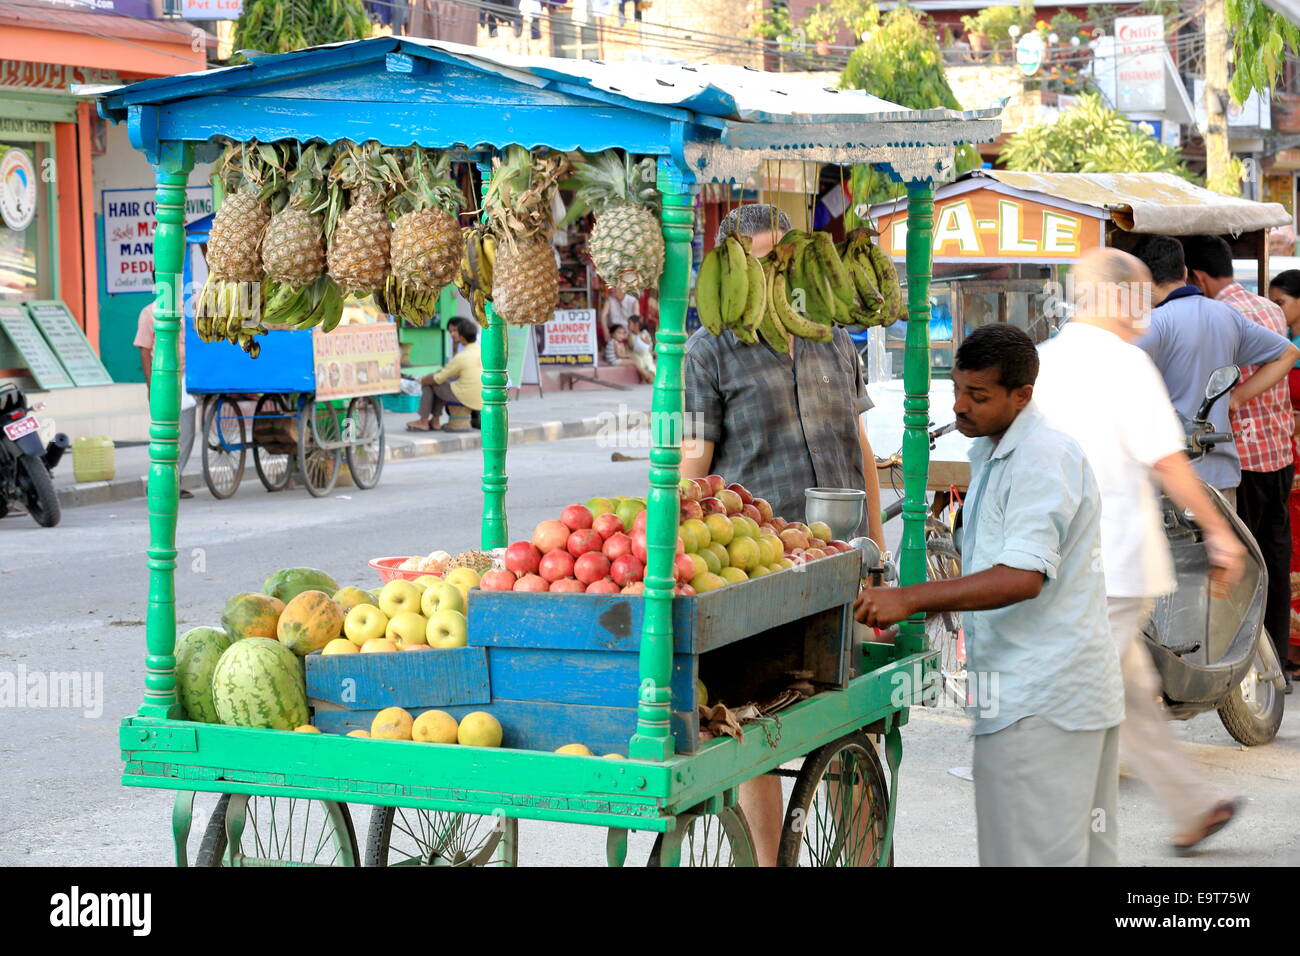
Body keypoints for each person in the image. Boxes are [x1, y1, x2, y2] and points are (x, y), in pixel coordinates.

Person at [855, 324, 1124, 867]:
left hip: (1045, 700)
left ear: (1021, 396)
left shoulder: (1042, 458)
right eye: (956, 390)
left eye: (978, 397)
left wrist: (912, 598)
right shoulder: (994, 451)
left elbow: (1022, 576)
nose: (960, 407)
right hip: (1029, 694)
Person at [683, 202, 884, 867]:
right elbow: (696, 460)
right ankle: (767, 863)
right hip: (756, 573)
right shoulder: (708, 349)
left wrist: (877, 549)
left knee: (852, 721)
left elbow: (859, 447)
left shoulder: (830, 338)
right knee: (754, 722)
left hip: (840, 566)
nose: (771, 279)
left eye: (780, 264)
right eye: (756, 265)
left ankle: (857, 856)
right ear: (731, 270)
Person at [1034, 248, 1245, 852]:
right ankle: (1183, 808)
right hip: (1109, 566)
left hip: (1071, 565)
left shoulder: (1043, 363)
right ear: (1111, 296)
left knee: (1098, 693)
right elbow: (1168, 463)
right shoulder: (1126, 366)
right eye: (1141, 296)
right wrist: (1220, 531)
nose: (1148, 311)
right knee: (1106, 696)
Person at [1181, 235, 1300, 691]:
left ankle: (1248, 666)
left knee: (1241, 566)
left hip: (1245, 459)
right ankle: (1279, 665)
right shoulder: (1269, 308)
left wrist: (1237, 398)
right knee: (1274, 557)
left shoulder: (1221, 316)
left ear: (1196, 276)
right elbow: (1286, 357)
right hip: (1278, 454)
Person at [1131, 235, 1297, 503]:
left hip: (1170, 482)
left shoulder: (1150, 324)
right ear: (1184, 273)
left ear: (1141, 280)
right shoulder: (1224, 314)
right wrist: (1236, 397)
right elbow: (1288, 353)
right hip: (1221, 478)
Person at [134, 301, 195, 498]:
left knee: (186, 432)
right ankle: (162, 482)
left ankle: (173, 479)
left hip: (187, 377)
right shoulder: (148, 312)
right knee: (165, 433)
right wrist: (151, 385)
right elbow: (144, 351)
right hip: (163, 379)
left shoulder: (188, 308)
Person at [406, 317, 482, 432]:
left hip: (467, 397)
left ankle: (423, 421)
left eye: (455, 331)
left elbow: (438, 378)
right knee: (442, 383)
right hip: (481, 397)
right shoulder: (481, 351)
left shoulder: (462, 355)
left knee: (430, 383)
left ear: (461, 336)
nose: (452, 334)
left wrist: (422, 380)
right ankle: (435, 420)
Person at [627, 315, 656, 381]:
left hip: (646, 354)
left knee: (648, 363)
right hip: (636, 354)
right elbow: (631, 346)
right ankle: (645, 377)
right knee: (639, 362)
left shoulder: (644, 333)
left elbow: (649, 345)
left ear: (636, 324)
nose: (628, 326)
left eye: (629, 323)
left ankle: (651, 376)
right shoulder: (630, 335)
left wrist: (643, 340)